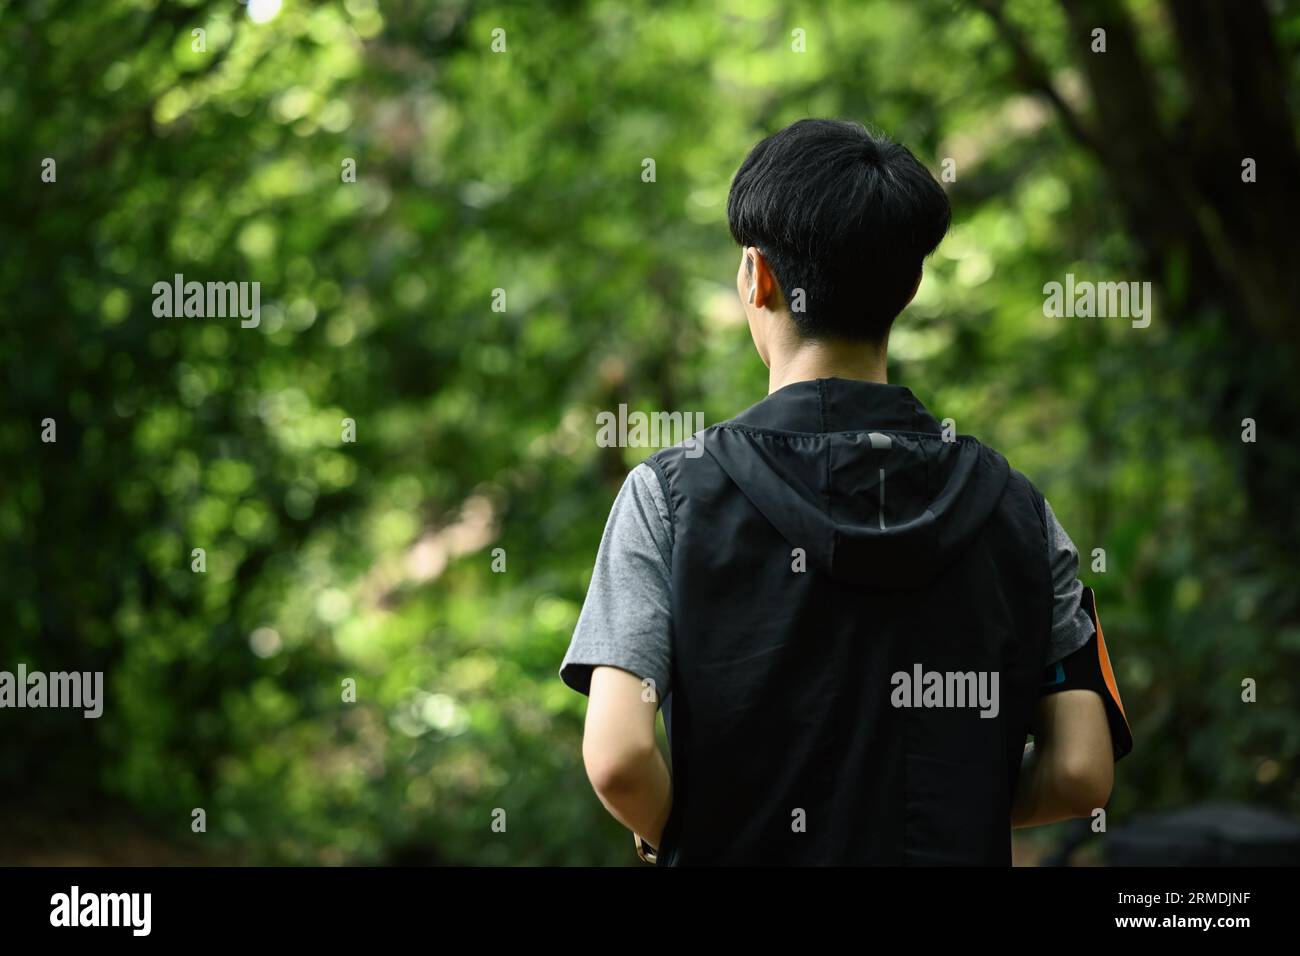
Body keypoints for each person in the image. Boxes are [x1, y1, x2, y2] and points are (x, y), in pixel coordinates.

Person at [559, 118, 1132, 865]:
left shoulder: (668, 495)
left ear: (756, 276)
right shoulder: (1014, 507)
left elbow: (619, 759)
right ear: (911, 284)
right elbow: (1082, 772)